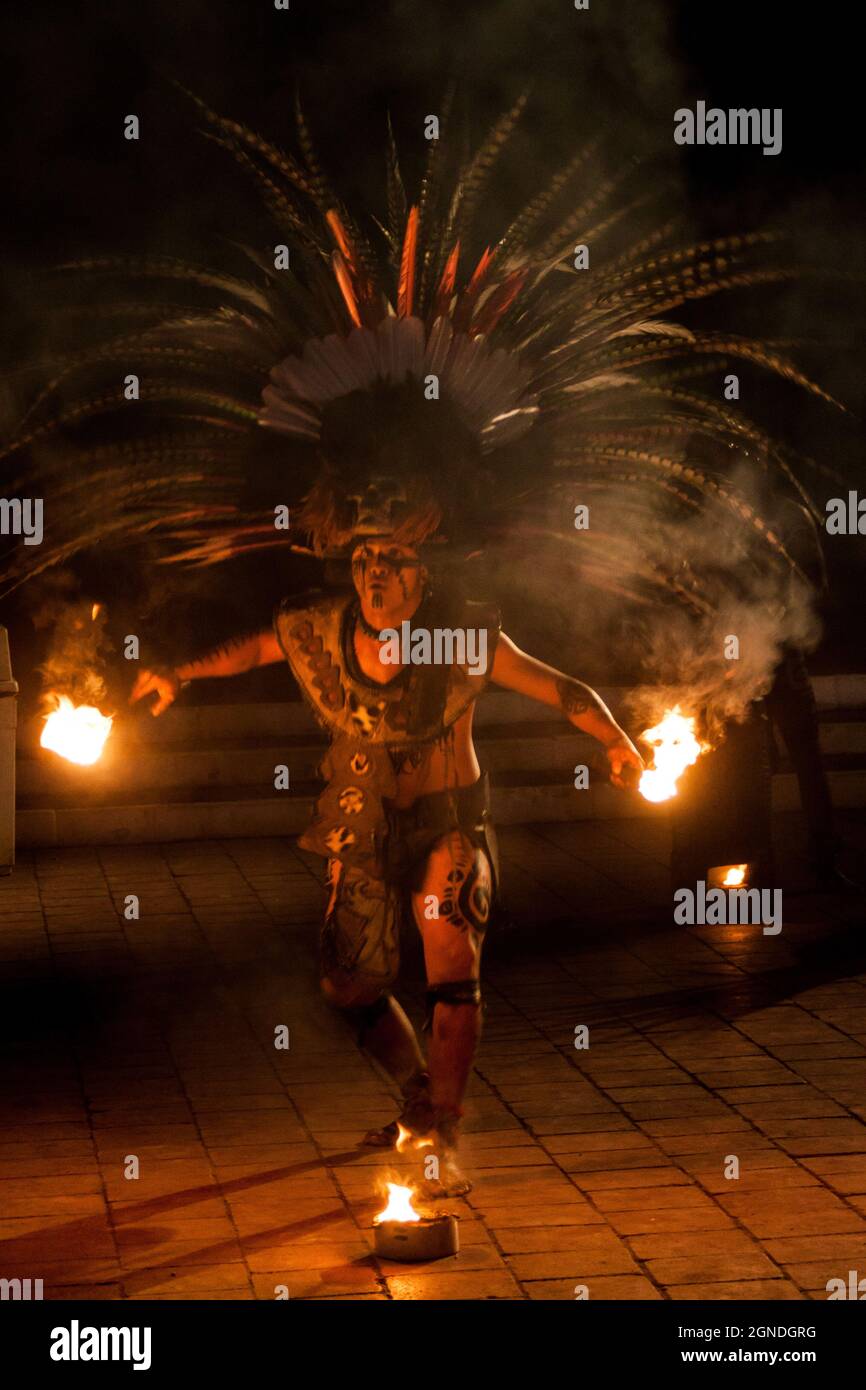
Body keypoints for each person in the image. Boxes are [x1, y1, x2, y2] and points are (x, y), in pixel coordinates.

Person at [131, 527, 643, 1195]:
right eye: (365, 558)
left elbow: (562, 688)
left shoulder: (462, 639)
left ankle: (444, 1134)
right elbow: (255, 648)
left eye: (394, 560)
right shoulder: (321, 628)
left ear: (424, 571)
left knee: (452, 971)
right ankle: (419, 1092)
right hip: (363, 821)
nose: (375, 572)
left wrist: (616, 739)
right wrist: (178, 673)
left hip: (446, 823)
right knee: (347, 984)